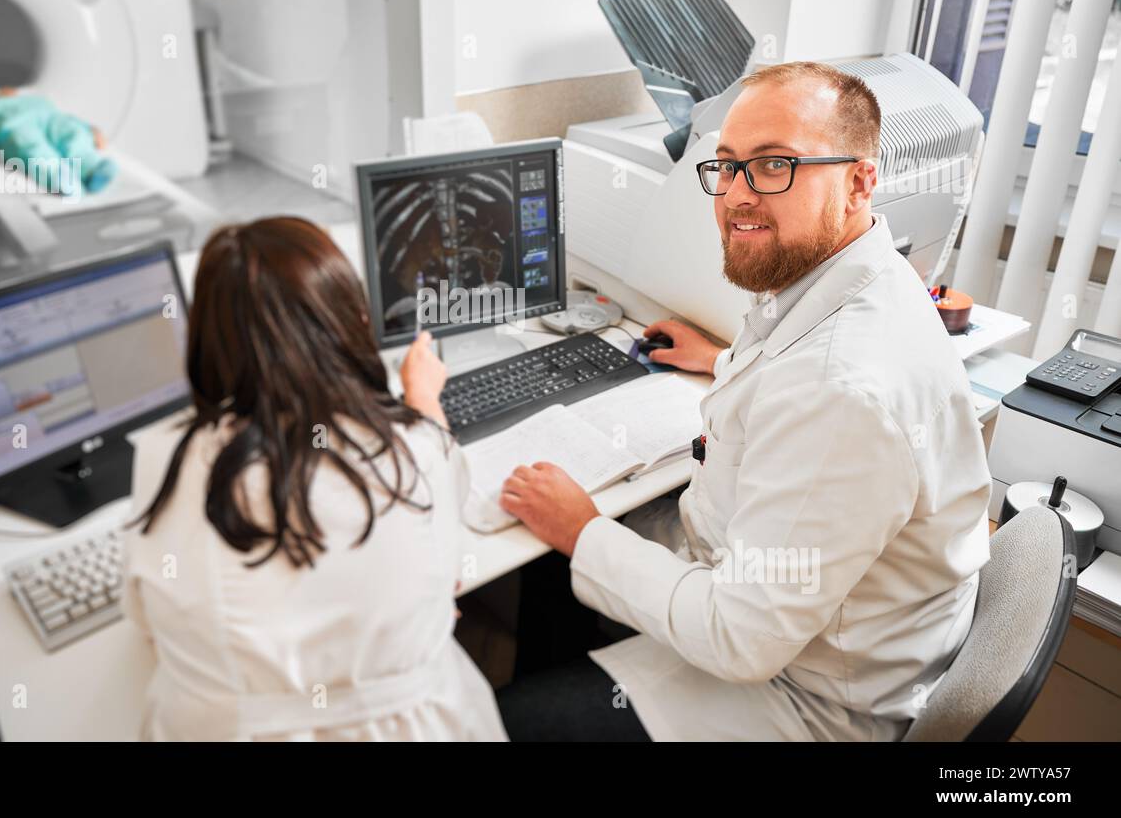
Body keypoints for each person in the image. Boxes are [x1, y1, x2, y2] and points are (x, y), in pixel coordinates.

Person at [495, 61, 992, 741]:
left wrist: (584, 532)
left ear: (859, 182)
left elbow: (741, 641)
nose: (736, 195)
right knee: (561, 565)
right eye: (726, 166)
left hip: (803, 699)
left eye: (774, 166)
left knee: (511, 720)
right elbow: (796, 366)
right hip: (810, 625)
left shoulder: (844, 391)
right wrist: (724, 360)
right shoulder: (863, 276)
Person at [122, 217, 506, 741]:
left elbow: (146, 625)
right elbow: (447, 573)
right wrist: (423, 404)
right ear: (350, 320)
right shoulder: (417, 451)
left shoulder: (164, 457)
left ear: (207, 339)